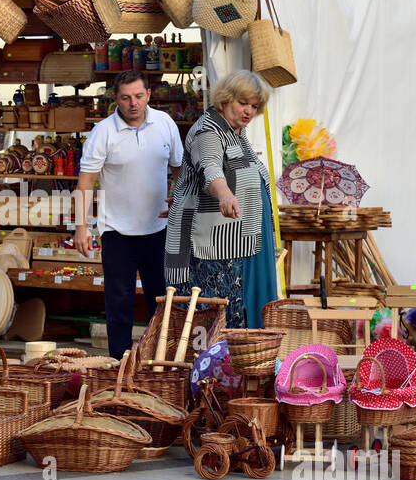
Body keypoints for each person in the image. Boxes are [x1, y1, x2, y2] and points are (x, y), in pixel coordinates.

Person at [75, 70, 183, 359]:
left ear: (148, 95)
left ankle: (156, 362)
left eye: (138, 96)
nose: (133, 103)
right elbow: (86, 182)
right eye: (126, 98)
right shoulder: (103, 132)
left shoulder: (165, 124)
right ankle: (117, 364)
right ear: (116, 99)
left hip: (159, 228)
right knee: (118, 303)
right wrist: (81, 227)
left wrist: (180, 198)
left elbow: (179, 169)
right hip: (117, 231)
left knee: (160, 301)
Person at [164, 70, 275, 328]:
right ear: (225, 99)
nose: (248, 111)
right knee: (218, 316)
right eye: (243, 103)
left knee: (238, 311)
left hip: (239, 238)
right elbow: (210, 168)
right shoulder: (209, 132)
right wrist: (224, 194)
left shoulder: (236, 131)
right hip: (212, 244)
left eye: (254, 106)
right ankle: (217, 366)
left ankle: (240, 362)